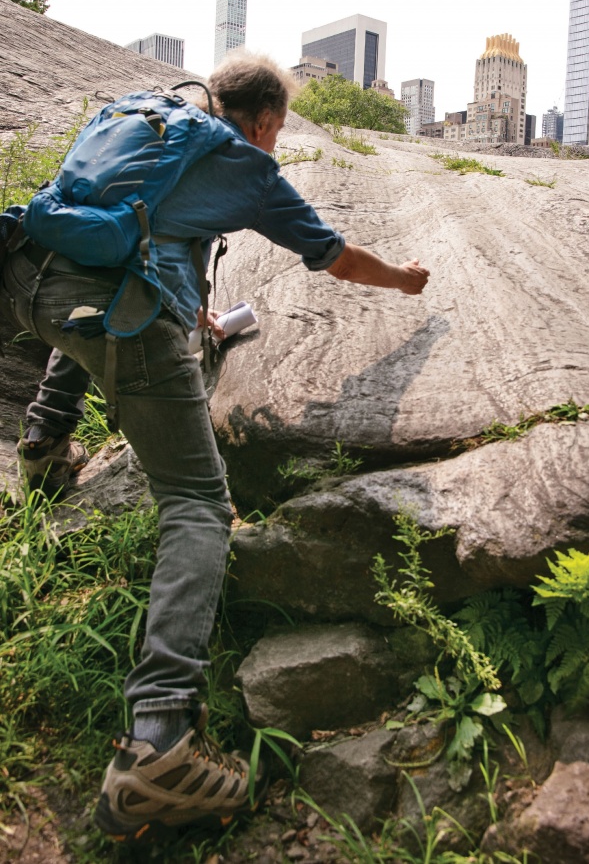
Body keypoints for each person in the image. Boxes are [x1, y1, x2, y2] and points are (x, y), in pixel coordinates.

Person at [0, 52, 429, 842]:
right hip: (111, 307)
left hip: (30, 276)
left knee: (95, 323)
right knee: (198, 502)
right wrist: (405, 280)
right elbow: (335, 257)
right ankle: (158, 741)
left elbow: (115, 229)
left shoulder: (146, 115)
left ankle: (40, 448)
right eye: (278, 131)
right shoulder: (244, 163)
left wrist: (182, 300)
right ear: (265, 122)